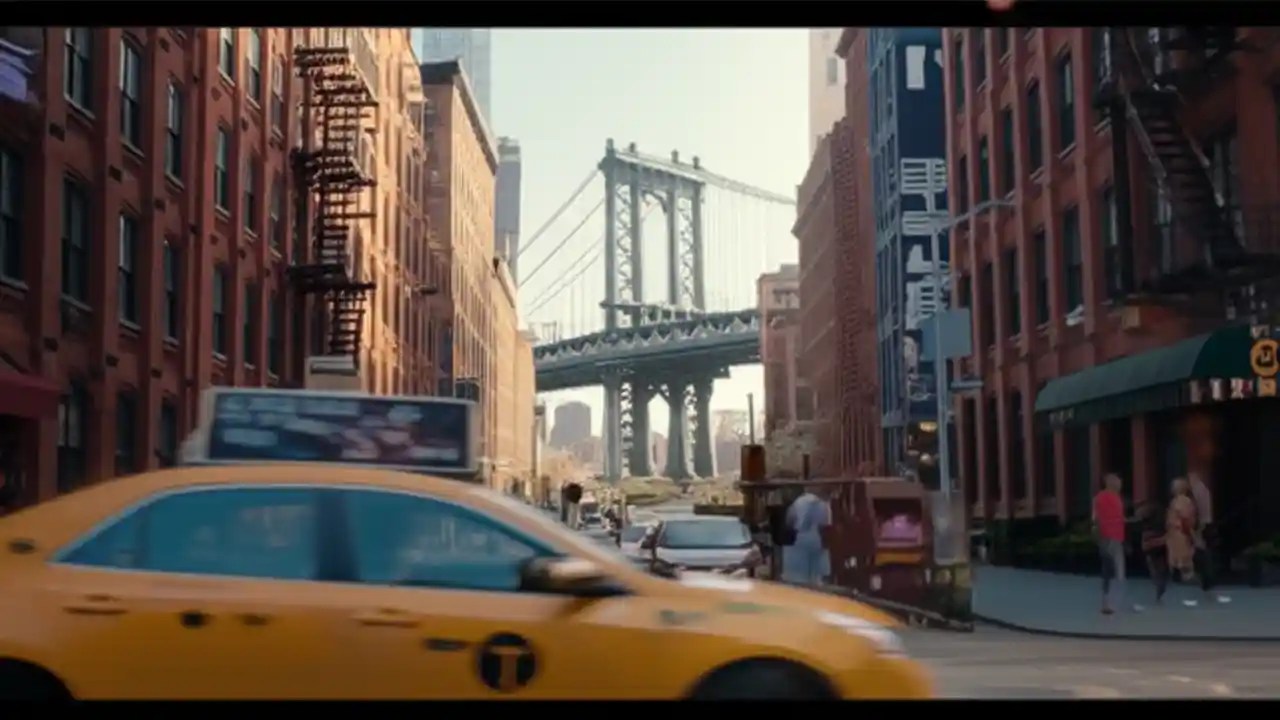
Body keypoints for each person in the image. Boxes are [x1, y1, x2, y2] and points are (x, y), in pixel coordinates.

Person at [1186, 471, 1230, 606]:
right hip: (1202, 528)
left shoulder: (1198, 492)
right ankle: (1207, 590)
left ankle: (1206, 589)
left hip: (1201, 528)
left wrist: (1198, 532)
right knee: (1203, 558)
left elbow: (1202, 513)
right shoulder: (1200, 491)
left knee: (1202, 559)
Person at [781, 485, 831, 587]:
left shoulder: (797, 503)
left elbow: (789, 521)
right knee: (816, 577)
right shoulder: (823, 505)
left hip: (799, 540)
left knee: (797, 577)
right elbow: (825, 525)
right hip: (817, 539)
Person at [1092, 473, 1128, 615]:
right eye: (1119, 484)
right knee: (1117, 570)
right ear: (1113, 484)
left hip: (1105, 537)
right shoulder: (1114, 498)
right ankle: (1112, 603)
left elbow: (1095, 519)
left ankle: (1107, 602)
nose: (1120, 486)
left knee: (1107, 569)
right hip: (1113, 537)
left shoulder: (1098, 498)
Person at [1136, 502, 1169, 606]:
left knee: (1156, 567)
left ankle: (1160, 585)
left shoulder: (1154, 519)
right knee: (1157, 567)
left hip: (1155, 542)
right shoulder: (1150, 521)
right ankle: (1160, 586)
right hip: (1155, 542)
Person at [1166, 478, 1197, 584]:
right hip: (1176, 531)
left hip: (1180, 531)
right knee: (1178, 552)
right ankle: (1181, 574)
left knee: (1183, 552)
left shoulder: (1181, 501)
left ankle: (1185, 574)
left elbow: (1184, 516)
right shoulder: (1179, 500)